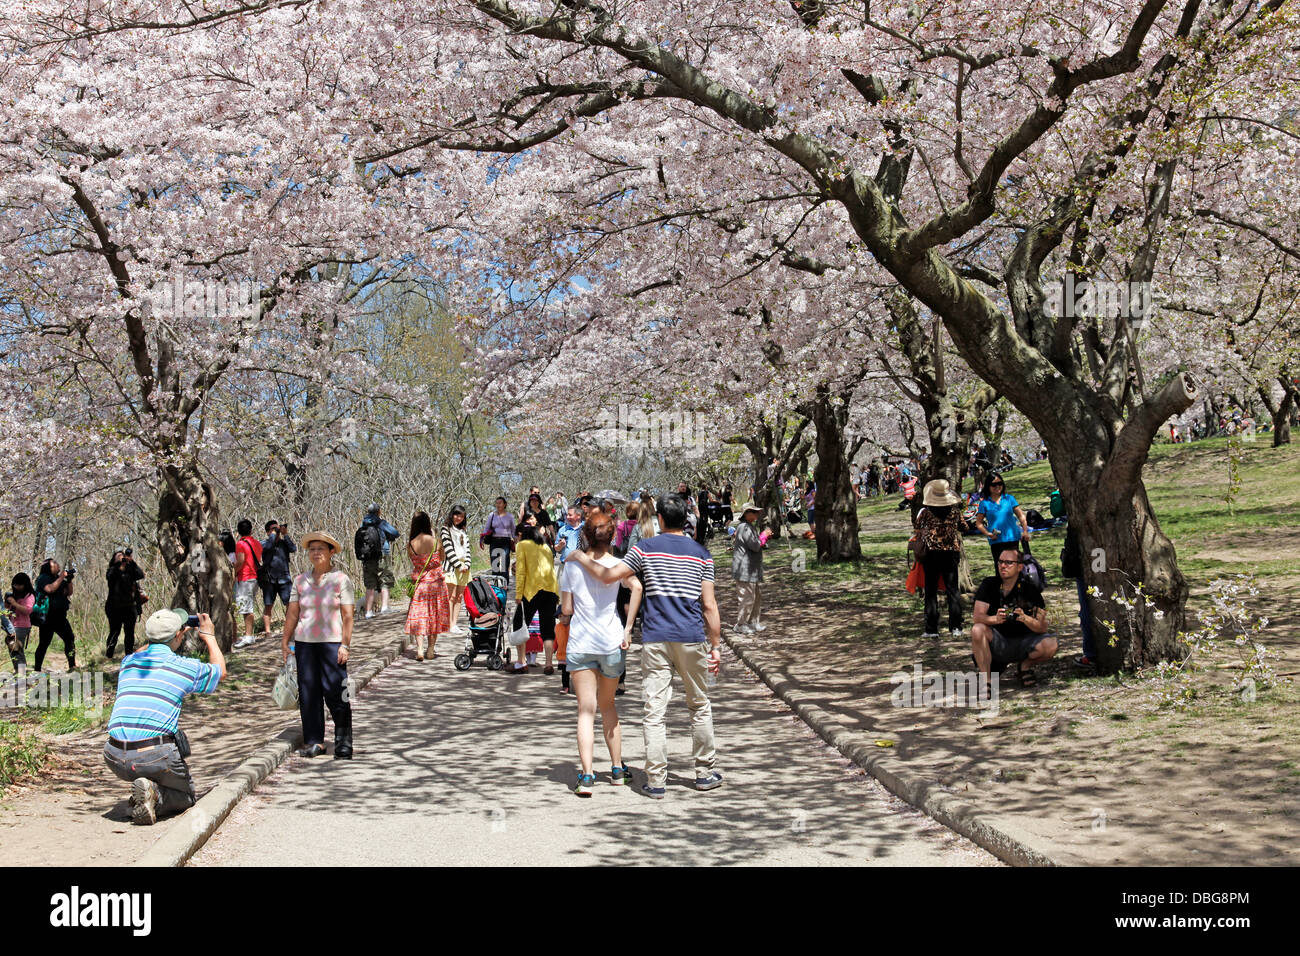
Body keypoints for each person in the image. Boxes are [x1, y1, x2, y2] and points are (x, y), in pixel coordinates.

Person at [568, 493, 722, 799]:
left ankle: (656, 780)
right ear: (685, 520)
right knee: (700, 705)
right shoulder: (702, 554)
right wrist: (715, 645)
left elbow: (609, 574)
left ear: (660, 520)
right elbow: (709, 605)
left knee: (654, 710)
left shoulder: (644, 549)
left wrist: (580, 556)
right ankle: (704, 773)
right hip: (691, 637)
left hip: (655, 639)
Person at [103, 608, 224, 825]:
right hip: (154, 755)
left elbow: (143, 651)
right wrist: (209, 637)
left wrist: (162, 638)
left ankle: (145, 791)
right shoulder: (183, 667)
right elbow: (219, 671)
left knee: (161, 749)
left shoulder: (128, 662)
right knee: (187, 796)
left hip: (114, 755)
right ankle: (155, 795)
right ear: (179, 635)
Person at [559, 511, 642, 795]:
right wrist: (628, 627)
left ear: (586, 535)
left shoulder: (570, 565)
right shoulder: (619, 565)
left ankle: (587, 775)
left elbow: (567, 610)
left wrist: (565, 618)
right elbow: (638, 588)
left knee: (585, 710)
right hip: (611, 642)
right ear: (612, 536)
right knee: (608, 706)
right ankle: (617, 769)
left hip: (581, 642)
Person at [282, 532, 355, 758]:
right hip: (305, 644)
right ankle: (314, 741)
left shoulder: (341, 579)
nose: (316, 553)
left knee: (337, 692)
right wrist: (285, 641)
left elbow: (348, 616)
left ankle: (343, 741)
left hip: (333, 644)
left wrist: (345, 644)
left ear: (331, 552)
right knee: (309, 693)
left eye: (321, 549)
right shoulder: (299, 581)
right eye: (312, 549)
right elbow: (293, 614)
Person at [971, 545, 1057, 688]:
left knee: (1051, 644)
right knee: (977, 629)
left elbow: (1042, 627)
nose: (1003, 566)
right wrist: (995, 619)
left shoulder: (1030, 589)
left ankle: (1024, 666)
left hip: (1024, 643)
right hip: (998, 643)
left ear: (1019, 567)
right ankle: (986, 680)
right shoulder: (989, 584)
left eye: (1008, 562)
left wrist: (1025, 618)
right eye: (1000, 562)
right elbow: (977, 617)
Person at [913, 479, 964, 639]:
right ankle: (956, 626)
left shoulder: (925, 513)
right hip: (950, 553)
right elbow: (964, 527)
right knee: (952, 590)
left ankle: (931, 628)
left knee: (931, 590)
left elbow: (917, 527)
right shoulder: (955, 512)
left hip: (931, 554)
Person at [513, 517, 559, 675]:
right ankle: (548, 663)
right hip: (550, 590)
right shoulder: (545, 547)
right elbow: (552, 570)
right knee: (547, 628)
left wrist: (518, 594)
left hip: (531, 590)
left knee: (519, 623)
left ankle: (521, 662)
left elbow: (521, 572)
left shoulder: (522, 545)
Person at [406, 511, 450, 661]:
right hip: (436, 584)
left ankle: (419, 649)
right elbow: (441, 559)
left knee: (420, 616)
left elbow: (413, 562)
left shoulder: (411, 545)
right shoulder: (436, 542)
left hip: (420, 584)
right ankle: (430, 649)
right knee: (434, 616)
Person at [1061, 520, 1097, 669]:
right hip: (1082, 556)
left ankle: (1091, 655)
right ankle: (1091, 654)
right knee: (1087, 610)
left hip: (1092, 554)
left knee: (1088, 610)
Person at [974, 472, 1028, 565]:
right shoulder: (984, 503)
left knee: (1014, 566)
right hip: (996, 541)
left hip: (1012, 538)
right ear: (988, 486)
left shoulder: (1009, 499)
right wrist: (988, 534)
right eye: (994, 484)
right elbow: (978, 523)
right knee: (1001, 568)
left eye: (1000, 483)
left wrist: (1025, 531)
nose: (997, 486)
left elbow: (1021, 516)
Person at [33, 559, 77, 672]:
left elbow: (68, 592)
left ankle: (72, 666)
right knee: (44, 643)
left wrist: (69, 580)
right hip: (47, 617)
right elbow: (50, 589)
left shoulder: (58, 579)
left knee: (69, 638)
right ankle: (37, 669)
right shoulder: (43, 578)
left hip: (60, 616)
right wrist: (61, 577)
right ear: (48, 567)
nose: (58, 565)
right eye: (54, 564)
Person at [357, 504, 400, 619]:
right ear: (379, 512)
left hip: (367, 556)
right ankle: (385, 607)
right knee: (385, 579)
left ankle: (368, 612)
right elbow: (395, 533)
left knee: (370, 583)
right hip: (382, 554)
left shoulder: (363, 524)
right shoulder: (381, 522)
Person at [731, 501, 765, 634]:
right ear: (747, 514)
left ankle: (752, 622)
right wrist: (764, 536)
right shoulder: (744, 527)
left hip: (752, 569)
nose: (757, 514)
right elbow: (755, 545)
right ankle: (741, 624)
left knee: (756, 597)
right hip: (744, 570)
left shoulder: (749, 527)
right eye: (754, 512)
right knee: (747, 597)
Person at [105, 549, 145, 658]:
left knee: (129, 633)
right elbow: (110, 577)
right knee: (114, 631)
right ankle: (109, 654)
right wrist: (119, 566)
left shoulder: (130, 570)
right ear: (113, 559)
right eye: (118, 556)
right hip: (114, 607)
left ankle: (129, 656)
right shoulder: (112, 570)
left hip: (129, 607)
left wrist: (131, 562)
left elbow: (141, 574)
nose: (121, 557)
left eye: (122, 556)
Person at [260, 519, 297, 636]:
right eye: (273, 529)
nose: (277, 531)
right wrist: (273, 535)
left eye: (277, 529)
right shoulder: (263, 543)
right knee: (268, 605)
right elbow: (268, 547)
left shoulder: (283, 543)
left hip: (284, 579)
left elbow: (293, 548)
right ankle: (267, 632)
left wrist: (285, 534)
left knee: (289, 605)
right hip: (269, 579)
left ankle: (289, 629)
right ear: (267, 532)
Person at [440, 506, 472, 635]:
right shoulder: (445, 529)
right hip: (451, 566)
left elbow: (468, 550)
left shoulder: (463, 532)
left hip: (464, 567)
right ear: (452, 515)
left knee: (459, 597)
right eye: (456, 515)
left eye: (461, 516)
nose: (458, 518)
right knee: (450, 596)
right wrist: (458, 565)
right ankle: (447, 623)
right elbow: (448, 549)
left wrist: (467, 564)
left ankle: (454, 624)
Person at [232, 519, 263, 648]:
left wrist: (233, 573)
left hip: (245, 577)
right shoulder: (257, 543)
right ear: (251, 530)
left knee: (246, 608)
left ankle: (248, 636)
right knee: (248, 606)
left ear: (239, 531)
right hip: (255, 577)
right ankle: (249, 635)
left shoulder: (240, 543)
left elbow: (240, 561)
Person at [4, 574, 36, 673]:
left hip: (22, 627)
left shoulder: (29, 596)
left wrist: (14, 603)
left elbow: (28, 610)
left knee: (16, 651)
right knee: (14, 650)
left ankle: (21, 675)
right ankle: (20, 673)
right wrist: (7, 604)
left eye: (19, 585)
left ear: (25, 584)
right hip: (12, 625)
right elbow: (9, 610)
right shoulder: (16, 595)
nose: (16, 587)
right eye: (15, 585)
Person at [480, 497, 516, 577]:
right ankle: (496, 588)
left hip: (505, 542)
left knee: (504, 566)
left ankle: (504, 587)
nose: (498, 505)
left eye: (500, 503)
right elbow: (486, 528)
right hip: (494, 541)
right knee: (495, 566)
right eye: (497, 503)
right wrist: (482, 539)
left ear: (505, 504)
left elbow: (513, 530)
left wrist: (516, 541)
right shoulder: (492, 515)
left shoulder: (510, 516)